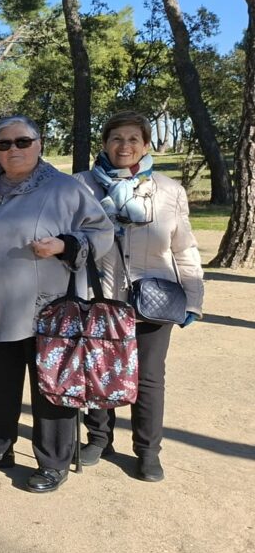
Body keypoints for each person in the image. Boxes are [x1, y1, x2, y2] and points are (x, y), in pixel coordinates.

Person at [0, 115, 114, 493]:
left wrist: (66, 244)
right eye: (3, 144)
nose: (12, 150)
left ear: (39, 143)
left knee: (51, 386)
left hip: (50, 308)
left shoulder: (66, 189)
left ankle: (53, 461)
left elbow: (101, 232)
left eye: (22, 142)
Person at [74, 110, 205, 482]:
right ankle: (99, 438)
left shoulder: (169, 190)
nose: (125, 146)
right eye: (116, 138)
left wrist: (193, 298)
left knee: (148, 378)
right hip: (98, 294)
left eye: (133, 139)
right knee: (98, 370)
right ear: (104, 143)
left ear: (146, 145)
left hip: (154, 297)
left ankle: (148, 451)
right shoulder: (82, 186)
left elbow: (184, 248)